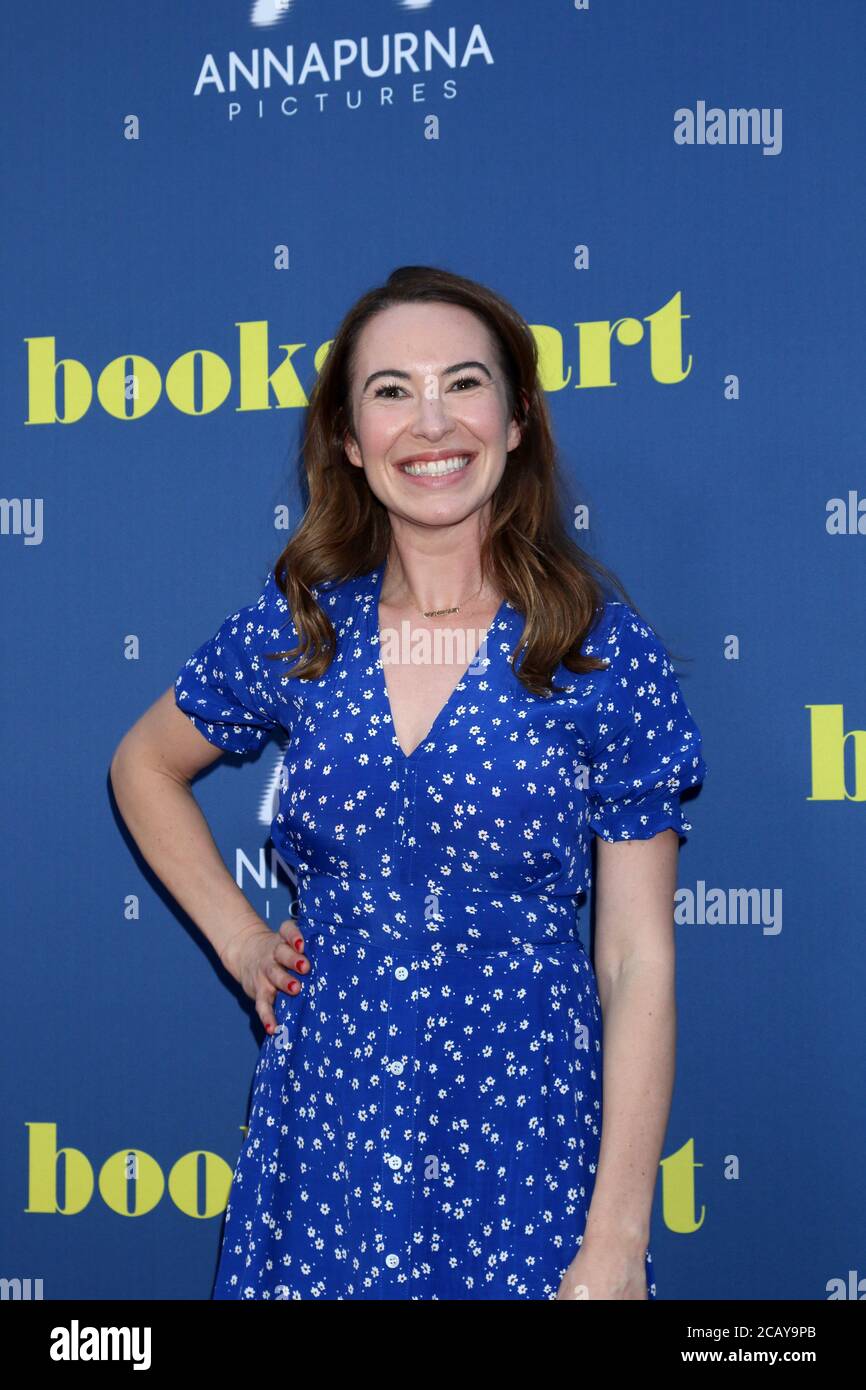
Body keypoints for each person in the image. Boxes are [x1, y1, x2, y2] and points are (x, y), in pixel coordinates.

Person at [110, 264, 707, 1301]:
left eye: (462, 384)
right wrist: (243, 940)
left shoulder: (597, 653)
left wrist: (612, 1237)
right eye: (390, 391)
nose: (430, 423)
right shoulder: (301, 627)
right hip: (328, 1139)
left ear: (516, 420)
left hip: (525, 1141)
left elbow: (634, 960)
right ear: (347, 437)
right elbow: (145, 763)